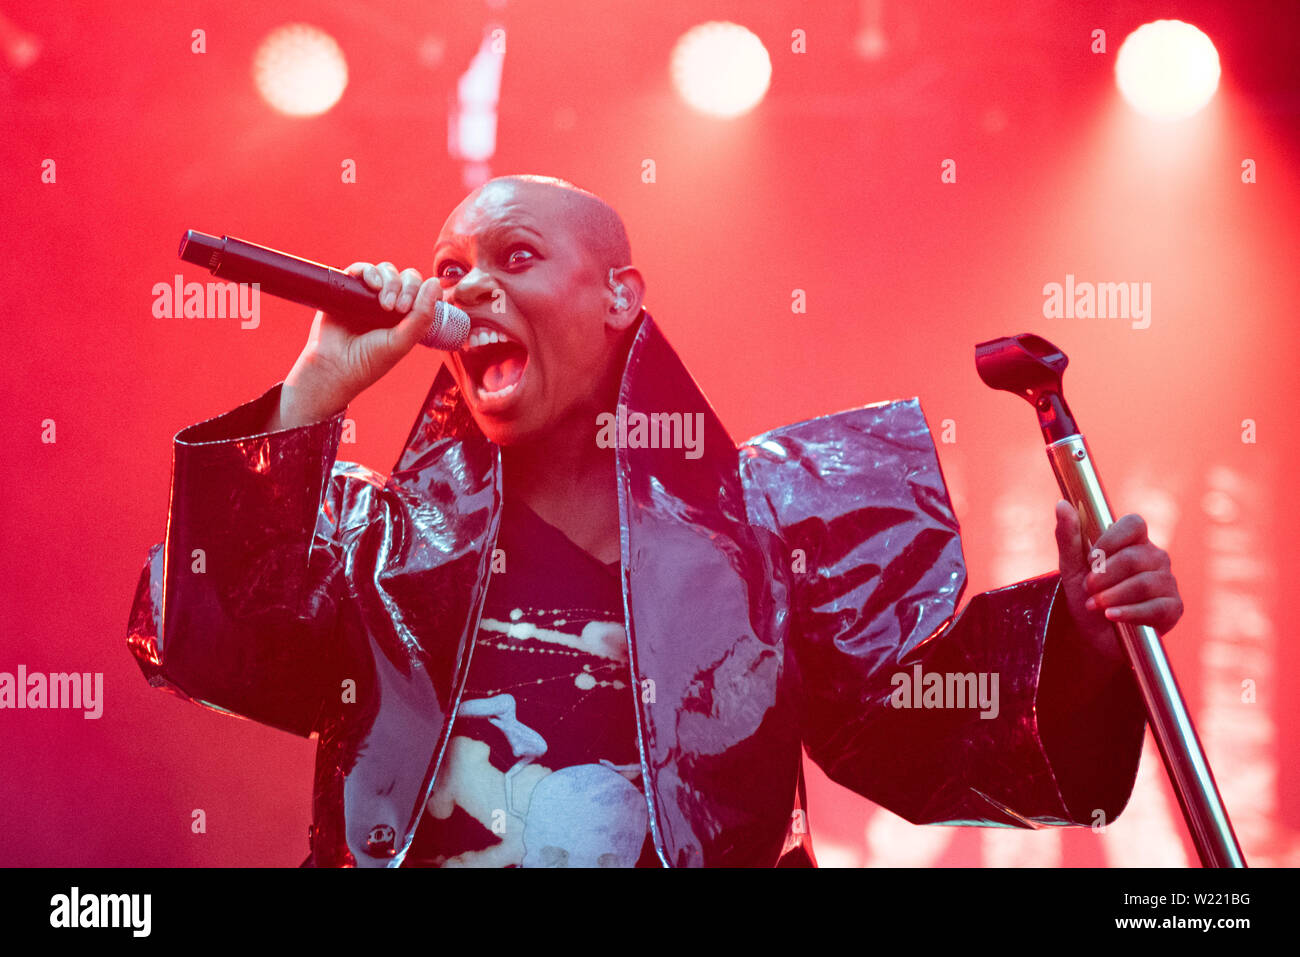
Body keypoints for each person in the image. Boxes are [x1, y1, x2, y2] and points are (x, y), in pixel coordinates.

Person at [127, 174, 1183, 867]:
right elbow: (209, 642)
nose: (471, 288)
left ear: (620, 296)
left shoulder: (772, 529)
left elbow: (921, 736)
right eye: (451, 272)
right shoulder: (372, 542)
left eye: (516, 259)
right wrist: (317, 386)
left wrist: (1086, 647)